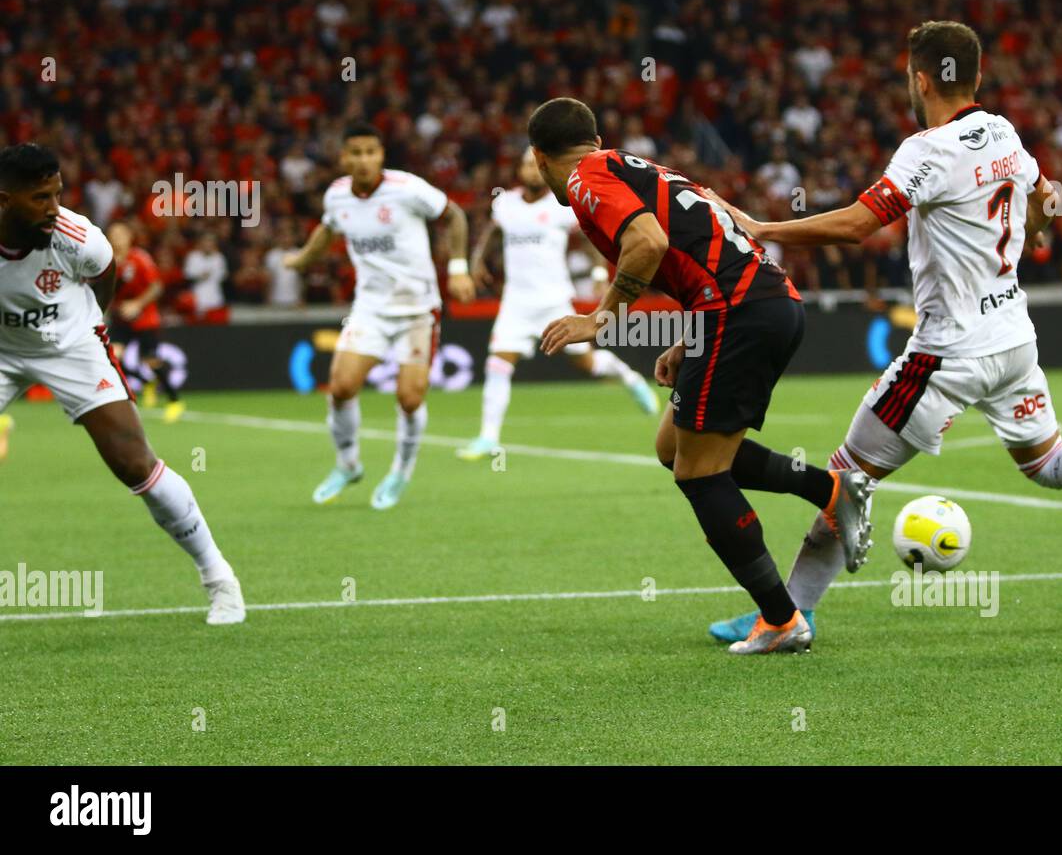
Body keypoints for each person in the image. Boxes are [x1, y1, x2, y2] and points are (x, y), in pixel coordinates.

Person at [703, 22, 1062, 644]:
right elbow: (1044, 196)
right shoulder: (1003, 131)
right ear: (975, 76)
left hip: (945, 356)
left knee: (844, 482)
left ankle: (788, 616)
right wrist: (1036, 232)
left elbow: (861, 224)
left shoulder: (927, 148)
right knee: (1046, 459)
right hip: (1014, 340)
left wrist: (761, 226)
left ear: (920, 79)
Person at [528, 97, 871, 655]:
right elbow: (701, 247)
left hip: (739, 310)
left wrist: (601, 319)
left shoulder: (587, 177)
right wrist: (689, 340)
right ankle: (829, 488)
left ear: (539, 156)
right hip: (755, 302)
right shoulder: (636, 165)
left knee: (699, 474)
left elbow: (648, 244)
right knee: (674, 447)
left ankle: (782, 620)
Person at [0, 143, 244, 624]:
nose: (53, 208)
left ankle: (220, 579)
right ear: (5, 199)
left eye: (57, 194)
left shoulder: (78, 238)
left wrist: (91, 326)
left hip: (69, 345)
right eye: (39, 198)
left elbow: (105, 277)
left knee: (135, 464)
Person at [283, 122, 475, 510]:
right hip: (370, 308)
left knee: (408, 398)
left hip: (418, 309)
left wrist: (457, 268)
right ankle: (348, 465)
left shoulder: (407, 189)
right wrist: (303, 259)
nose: (363, 160)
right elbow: (327, 230)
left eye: (371, 152)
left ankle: (400, 472)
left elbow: (455, 216)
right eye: (355, 153)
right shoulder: (337, 196)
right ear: (343, 158)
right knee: (341, 387)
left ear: (381, 155)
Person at [457, 148, 658, 460]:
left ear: (544, 167)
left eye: (534, 164)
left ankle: (629, 377)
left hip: (554, 300)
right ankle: (488, 437)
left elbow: (590, 238)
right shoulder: (505, 204)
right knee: (497, 364)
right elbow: (491, 235)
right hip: (516, 303)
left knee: (586, 364)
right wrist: (476, 263)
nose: (529, 169)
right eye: (523, 164)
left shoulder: (561, 206)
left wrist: (596, 271)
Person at [106, 222, 184, 423]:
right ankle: (145, 382)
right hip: (120, 319)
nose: (117, 238)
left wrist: (137, 305)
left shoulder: (139, 258)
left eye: (121, 234)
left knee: (151, 360)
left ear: (129, 237)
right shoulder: (106, 260)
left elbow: (156, 287)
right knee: (113, 358)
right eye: (113, 234)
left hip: (144, 318)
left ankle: (175, 401)